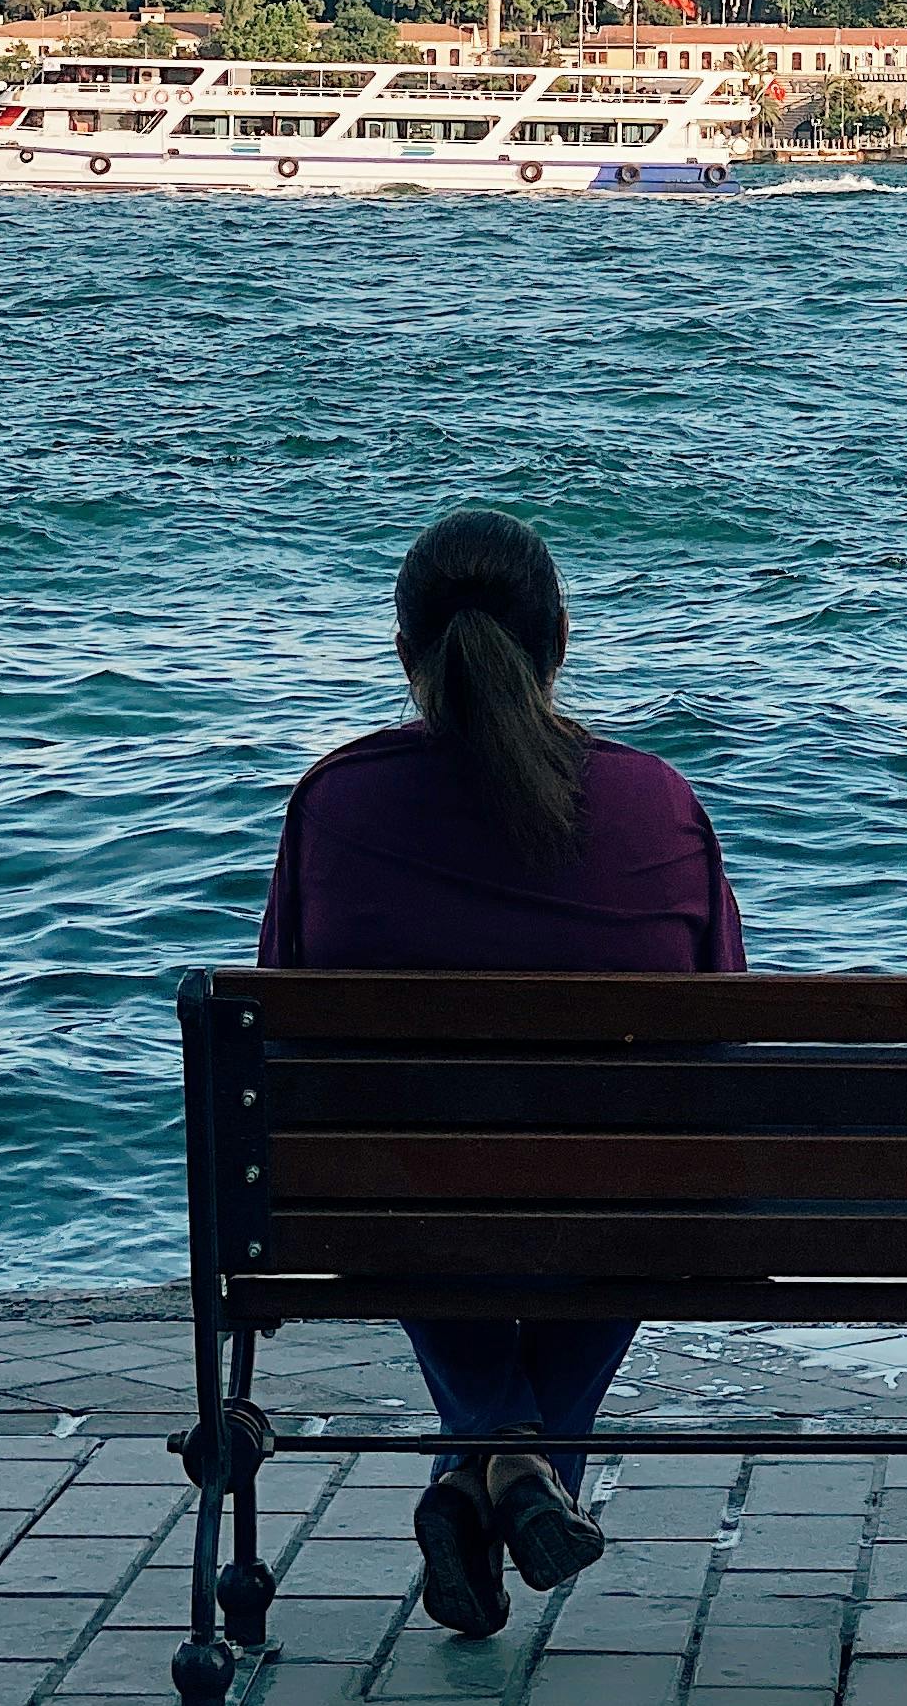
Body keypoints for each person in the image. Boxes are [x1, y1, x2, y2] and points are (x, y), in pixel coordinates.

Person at [259, 507, 745, 1639]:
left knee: (400, 1173)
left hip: (393, 1204)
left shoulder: (338, 802)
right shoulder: (655, 800)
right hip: (624, 1206)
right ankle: (524, 1467)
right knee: (645, 1178)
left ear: (405, 651)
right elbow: (721, 1034)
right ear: (559, 638)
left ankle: (487, 1464)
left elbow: (285, 1034)